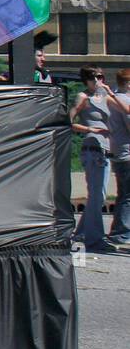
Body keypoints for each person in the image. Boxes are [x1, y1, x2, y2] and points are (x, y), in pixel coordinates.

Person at [71, 65, 115, 252]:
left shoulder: (106, 97)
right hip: (92, 147)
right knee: (97, 195)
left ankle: (82, 233)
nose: (98, 81)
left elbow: (124, 110)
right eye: (95, 78)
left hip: (106, 148)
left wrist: (109, 92)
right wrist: (90, 129)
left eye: (101, 77)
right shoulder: (83, 97)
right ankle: (94, 239)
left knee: (99, 195)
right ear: (87, 80)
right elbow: (70, 121)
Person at [103, 68, 130, 250]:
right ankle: (122, 233)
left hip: (118, 151)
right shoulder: (125, 101)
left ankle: (118, 231)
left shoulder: (113, 99)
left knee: (123, 194)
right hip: (128, 152)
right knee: (127, 196)